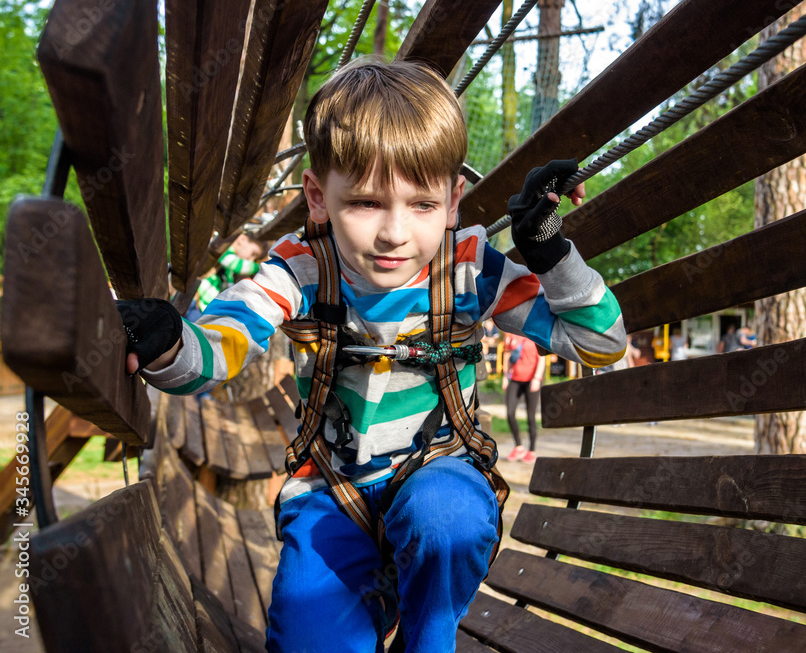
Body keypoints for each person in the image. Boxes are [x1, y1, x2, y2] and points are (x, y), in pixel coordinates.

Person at [116, 57, 627, 653]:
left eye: (422, 205)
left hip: (439, 474)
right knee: (312, 637)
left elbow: (600, 344)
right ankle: (363, 601)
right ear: (316, 196)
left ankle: (424, 635)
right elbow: (225, 341)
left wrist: (550, 253)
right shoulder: (302, 270)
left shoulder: (468, 270)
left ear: (454, 199)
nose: (394, 234)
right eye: (363, 203)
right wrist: (172, 340)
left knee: (446, 520)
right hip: (332, 491)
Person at [192, 233, 265, 314]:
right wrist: (261, 266)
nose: (251, 260)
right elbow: (238, 266)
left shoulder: (230, 267)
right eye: (253, 254)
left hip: (206, 305)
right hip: (197, 300)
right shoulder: (223, 251)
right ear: (242, 239)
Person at [501, 333, 545, 463]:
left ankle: (532, 450)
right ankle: (519, 446)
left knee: (530, 416)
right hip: (515, 379)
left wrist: (537, 378)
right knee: (510, 413)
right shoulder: (510, 334)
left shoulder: (534, 332)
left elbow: (541, 358)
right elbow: (508, 355)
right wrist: (505, 377)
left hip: (532, 379)